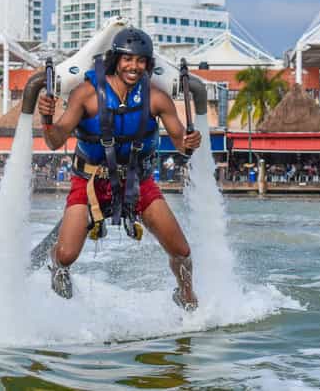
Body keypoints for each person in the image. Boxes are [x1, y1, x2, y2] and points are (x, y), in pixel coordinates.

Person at [37, 27, 202, 311]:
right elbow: (54, 141)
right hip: (89, 181)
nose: (133, 66)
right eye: (128, 59)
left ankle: (186, 295)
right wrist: (46, 118)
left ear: (148, 65)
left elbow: (181, 144)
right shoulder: (85, 95)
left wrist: (190, 142)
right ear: (116, 60)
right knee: (65, 255)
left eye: (140, 61)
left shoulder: (156, 98)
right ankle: (56, 269)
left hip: (138, 183)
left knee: (182, 251)